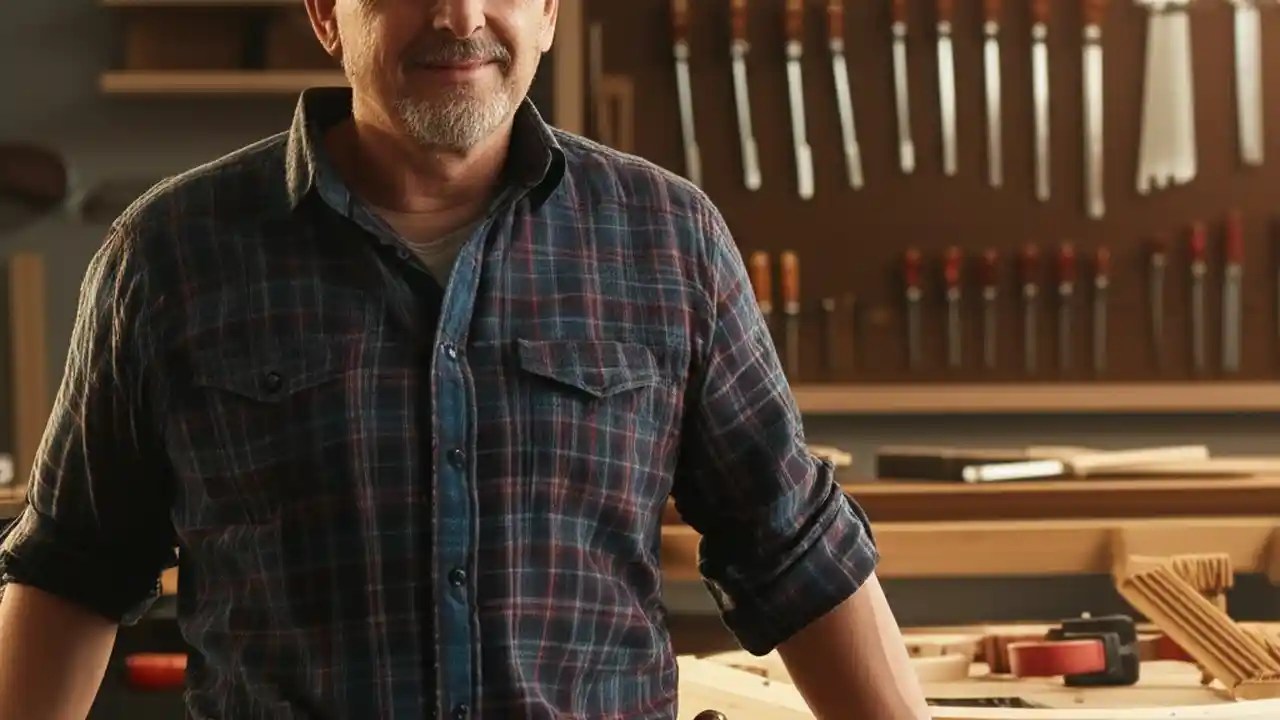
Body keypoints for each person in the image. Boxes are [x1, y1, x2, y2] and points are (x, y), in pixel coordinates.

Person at [0, 0, 931, 717]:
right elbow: (73, 573)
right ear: (328, 13)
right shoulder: (169, 254)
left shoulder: (667, 239)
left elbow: (793, 551)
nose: (458, 16)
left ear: (550, 14)